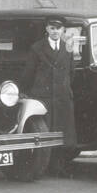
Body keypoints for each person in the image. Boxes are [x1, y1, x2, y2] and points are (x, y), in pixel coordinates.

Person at [25, 16, 76, 177]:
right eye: (52, 28)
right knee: (46, 132)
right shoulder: (37, 48)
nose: (55, 31)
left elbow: (71, 72)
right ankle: (43, 167)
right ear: (47, 29)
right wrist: (27, 91)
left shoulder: (67, 48)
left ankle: (58, 167)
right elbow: (29, 73)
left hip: (61, 97)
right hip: (44, 97)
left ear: (63, 30)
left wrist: (64, 88)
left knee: (62, 133)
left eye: (58, 28)